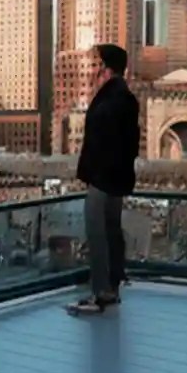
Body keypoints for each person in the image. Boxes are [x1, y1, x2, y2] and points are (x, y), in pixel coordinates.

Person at [68, 43, 140, 316]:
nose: (95, 71)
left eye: (99, 66)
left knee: (98, 234)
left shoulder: (111, 99)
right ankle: (112, 288)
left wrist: (94, 173)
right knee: (111, 232)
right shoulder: (126, 98)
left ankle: (100, 293)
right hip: (115, 179)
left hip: (103, 180)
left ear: (107, 70)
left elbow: (103, 142)